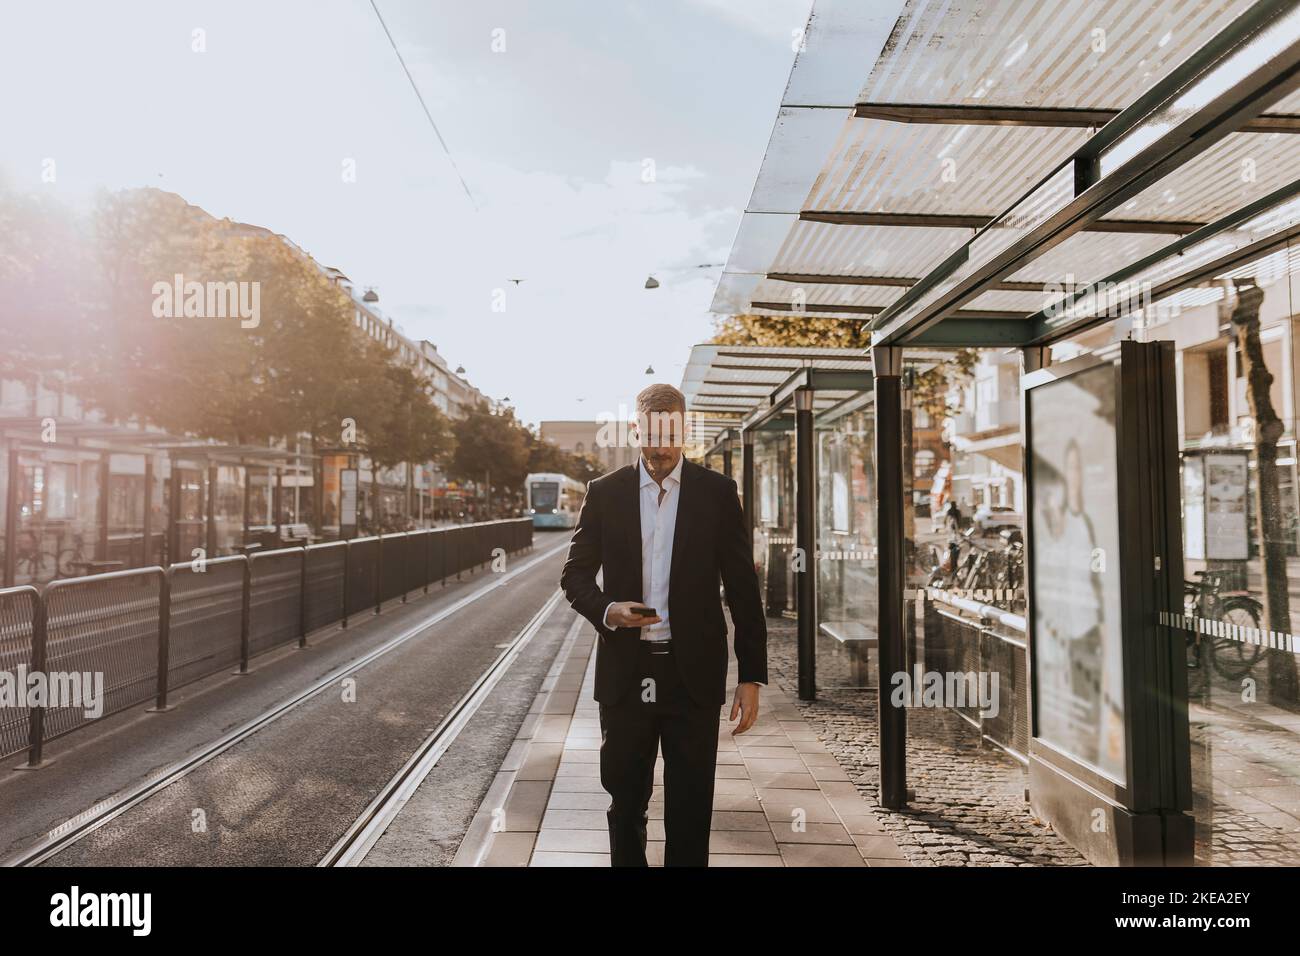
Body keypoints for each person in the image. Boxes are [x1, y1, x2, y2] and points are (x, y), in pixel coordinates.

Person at [560, 383, 767, 867]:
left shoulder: (717, 494)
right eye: (650, 434)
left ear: (684, 431)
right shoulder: (605, 493)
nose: (659, 447)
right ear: (636, 430)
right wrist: (610, 610)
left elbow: (742, 589)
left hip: (691, 676)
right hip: (626, 676)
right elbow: (573, 576)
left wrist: (751, 676)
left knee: (691, 811)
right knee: (626, 805)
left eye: (669, 434)